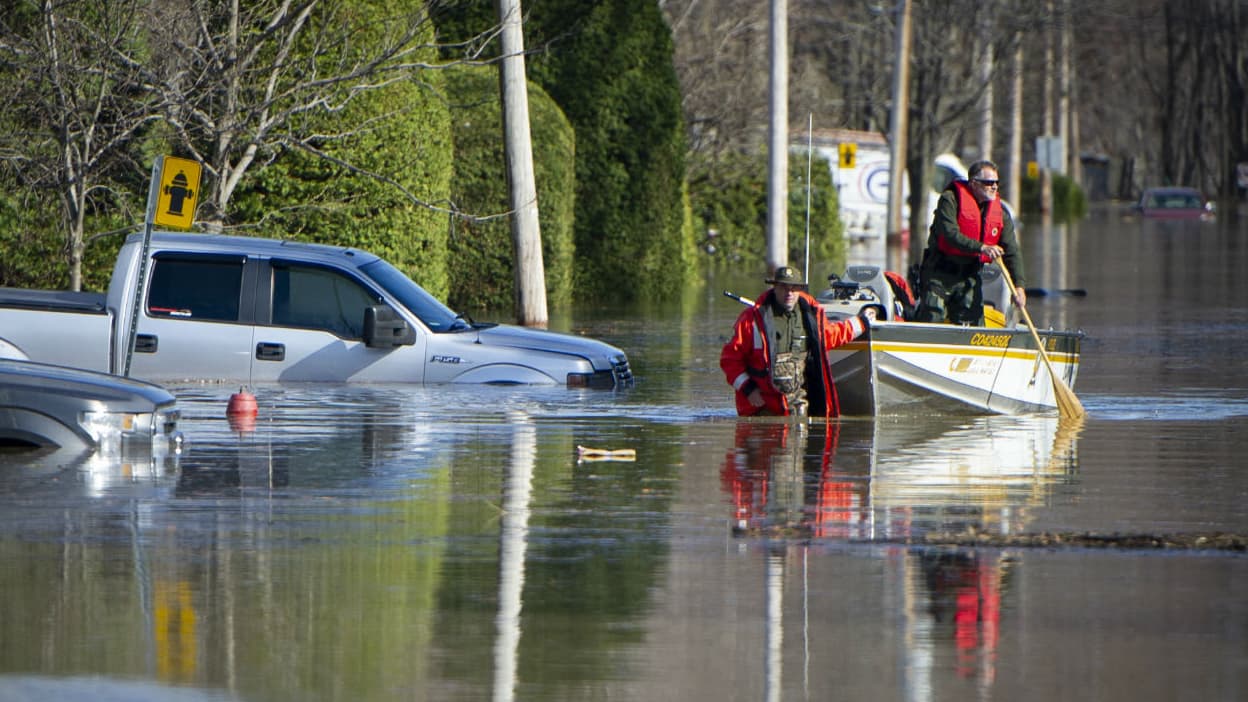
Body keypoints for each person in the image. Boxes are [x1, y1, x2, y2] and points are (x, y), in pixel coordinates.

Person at [721, 266, 872, 418]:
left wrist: (862, 322)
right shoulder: (751, 319)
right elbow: (729, 361)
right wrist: (749, 389)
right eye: (783, 287)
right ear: (774, 288)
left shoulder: (810, 316)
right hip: (761, 407)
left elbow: (830, 335)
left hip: (798, 405)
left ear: (800, 290)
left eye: (794, 288)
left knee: (801, 433)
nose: (789, 293)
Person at [914, 160, 1026, 325]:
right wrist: (982, 247)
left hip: (969, 275)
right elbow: (951, 234)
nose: (994, 187)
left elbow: (1011, 251)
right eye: (988, 183)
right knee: (933, 315)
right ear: (974, 183)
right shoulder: (950, 200)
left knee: (972, 320)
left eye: (996, 182)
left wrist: (1019, 286)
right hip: (939, 273)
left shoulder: (1000, 213)